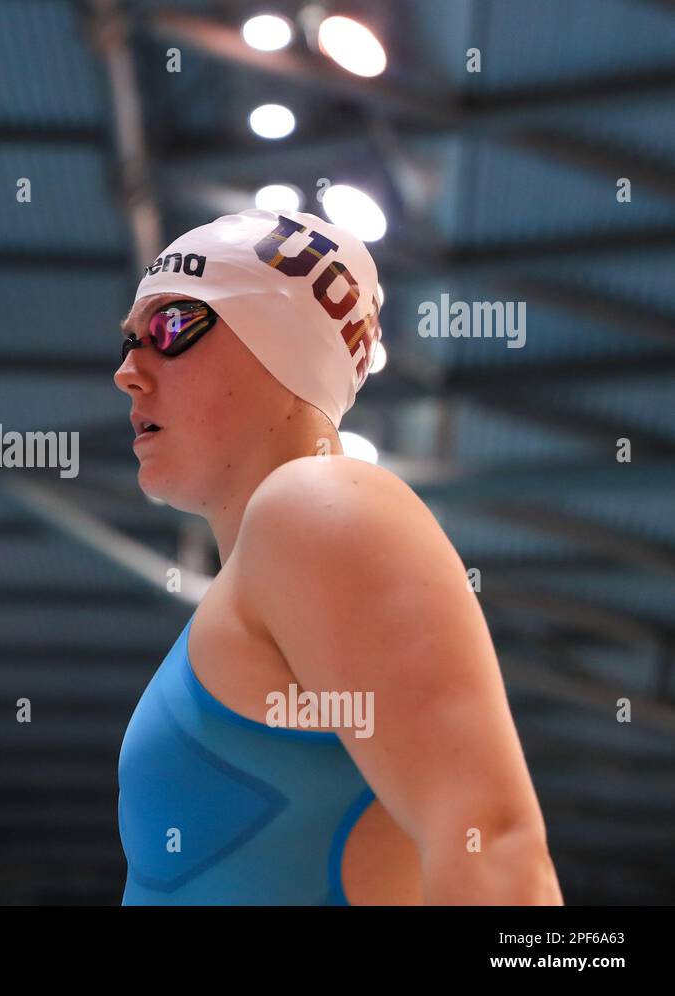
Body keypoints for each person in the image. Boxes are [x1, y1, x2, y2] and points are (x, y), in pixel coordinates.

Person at [113, 208, 563, 905]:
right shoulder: (253, 585)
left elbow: (495, 844)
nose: (128, 373)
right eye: (127, 342)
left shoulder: (317, 503)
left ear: (283, 345)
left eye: (171, 329)